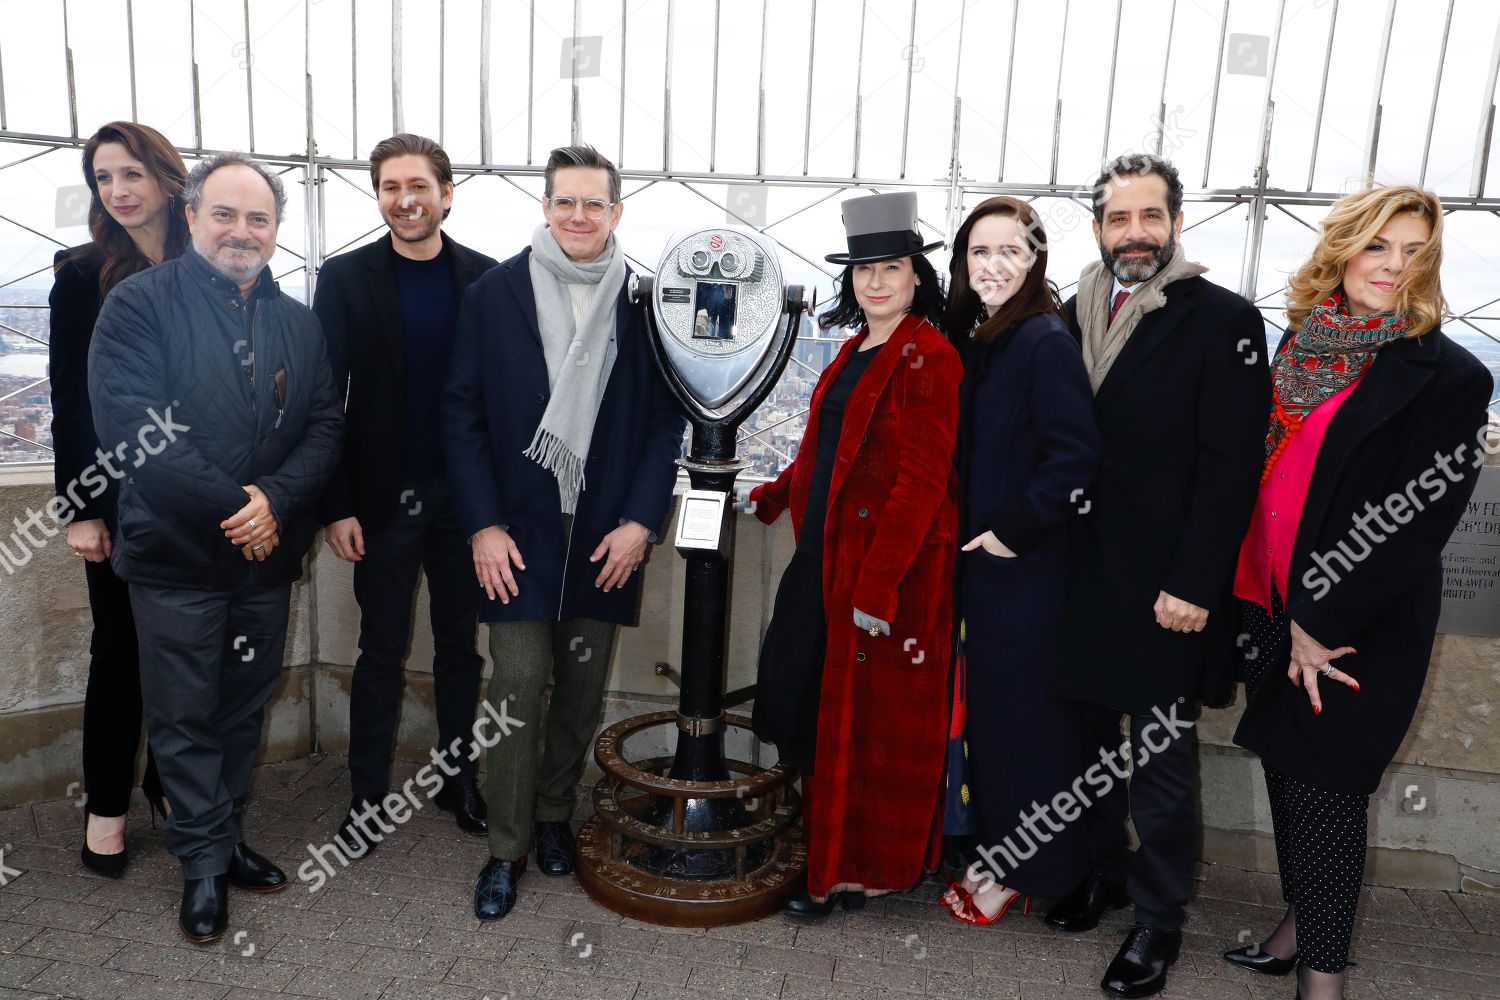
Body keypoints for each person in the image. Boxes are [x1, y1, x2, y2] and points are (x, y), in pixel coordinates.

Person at [1221, 185, 1491, 1000]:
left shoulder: (1449, 376)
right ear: (1343, 248)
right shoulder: (1302, 345)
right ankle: (1299, 927)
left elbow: (1413, 522)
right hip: (1266, 599)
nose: (1393, 266)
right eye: (1379, 245)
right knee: (1286, 768)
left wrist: (1320, 619)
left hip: (1355, 623)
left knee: (1329, 792)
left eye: (1413, 252)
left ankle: (1323, 981)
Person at [88, 151, 343, 943]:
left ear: (275, 231)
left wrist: (275, 501)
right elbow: (136, 434)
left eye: (258, 218)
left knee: (240, 707)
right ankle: (201, 864)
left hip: (262, 561)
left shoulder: (298, 322)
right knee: (184, 714)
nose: (242, 231)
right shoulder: (138, 305)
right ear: (192, 216)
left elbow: (326, 424)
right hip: (174, 557)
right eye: (225, 214)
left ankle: (224, 838)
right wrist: (244, 505)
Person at [1047, 153, 1270, 999]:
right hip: (1082, 574)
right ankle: (1105, 871)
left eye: (1149, 217)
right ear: (1099, 227)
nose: (1133, 233)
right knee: (1088, 742)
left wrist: (1196, 585)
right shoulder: (1074, 314)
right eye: (1117, 218)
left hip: (1167, 587)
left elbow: (1229, 470)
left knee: (1162, 762)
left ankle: (1158, 921)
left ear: (1176, 224)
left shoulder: (1223, 319)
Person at [445, 144, 686, 921]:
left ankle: (553, 816)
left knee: (581, 687)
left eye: (594, 204)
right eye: (564, 202)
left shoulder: (643, 305)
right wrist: (481, 525)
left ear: (617, 213)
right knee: (516, 681)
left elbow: (661, 423)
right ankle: (505, 847)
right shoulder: (494, 295)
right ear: (544, 209)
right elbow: (461, 416)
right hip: (515, 530)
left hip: (605, 529)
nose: (578, 216)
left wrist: (641, 523)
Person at [748, 191, 961, 919]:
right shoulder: (855, 348)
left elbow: (923, 481)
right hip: (827, 557)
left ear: (916, 277)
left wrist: (876, 587)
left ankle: (857, 873)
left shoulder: (929, 355)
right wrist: (778, 491)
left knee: (871, 726)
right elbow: (826, 446)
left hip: (882, 569)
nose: (876, 282)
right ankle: (828, 850)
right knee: (806, 697)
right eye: (864, 269)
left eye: (891, 268)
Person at [315, 134, 498, 850]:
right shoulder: (346, 278)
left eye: (418, 185)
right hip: (380, 500)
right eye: (391, 186)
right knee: (380, 651)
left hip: (464, 499)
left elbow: (497, 399)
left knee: (461, 647)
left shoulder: (485, 279)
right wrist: (337, 505)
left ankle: (460, 780)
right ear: (379, 195)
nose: (405, 199)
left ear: (446, 194)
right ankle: (367, 798)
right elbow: (325, 398)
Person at [935, 197, 1100, 924]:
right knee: (992, 726)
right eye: (979, 252)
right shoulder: (982, 336)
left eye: (1010, 250)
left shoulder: (1040, 340)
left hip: (1026, 576)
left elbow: (1077, 455)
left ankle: (1026, 871)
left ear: (1035, 259)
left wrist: (1011, 532)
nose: (992, 264)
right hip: (988, 574)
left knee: (1026, 732)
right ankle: (998, 855)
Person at [49, 121, 187, 878]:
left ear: (168, 177)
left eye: (132, 173)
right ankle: (105, 809)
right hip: (120, 497)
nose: (119, 191)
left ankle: (169, 788)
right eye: (104, 178)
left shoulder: (213, 260)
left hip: (199, 496)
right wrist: (82, 508)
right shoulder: (80, 274)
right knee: (121, 654)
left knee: (194, 657)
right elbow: (70, 401)